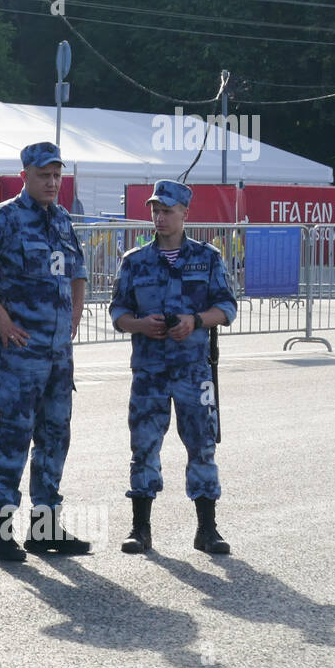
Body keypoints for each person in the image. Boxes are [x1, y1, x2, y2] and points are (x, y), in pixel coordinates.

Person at [0, 141, 90, 562]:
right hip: (20, 354)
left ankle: (45, 528)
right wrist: (0, 316)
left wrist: (74, 318)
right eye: (44, 176)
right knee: (14, 437)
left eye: (57, 175)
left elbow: (79, 272)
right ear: (25, 176)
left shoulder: (63, 220)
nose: (52, 183)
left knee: (54, 438)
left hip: (57, 357)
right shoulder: (5, 219)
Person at [109, 179, 236, 555]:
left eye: (167, 210)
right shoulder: (134, 261)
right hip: (149, 371)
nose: (159, 217)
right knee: (144, 446)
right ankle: (141, 529)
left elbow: (227, 308)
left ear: (185, 213)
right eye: (155, 210)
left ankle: (207, 529)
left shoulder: (208, 258)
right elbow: (117, 310)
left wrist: (195, 321)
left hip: (193, 370)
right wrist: (138, 325)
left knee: (201, 445)